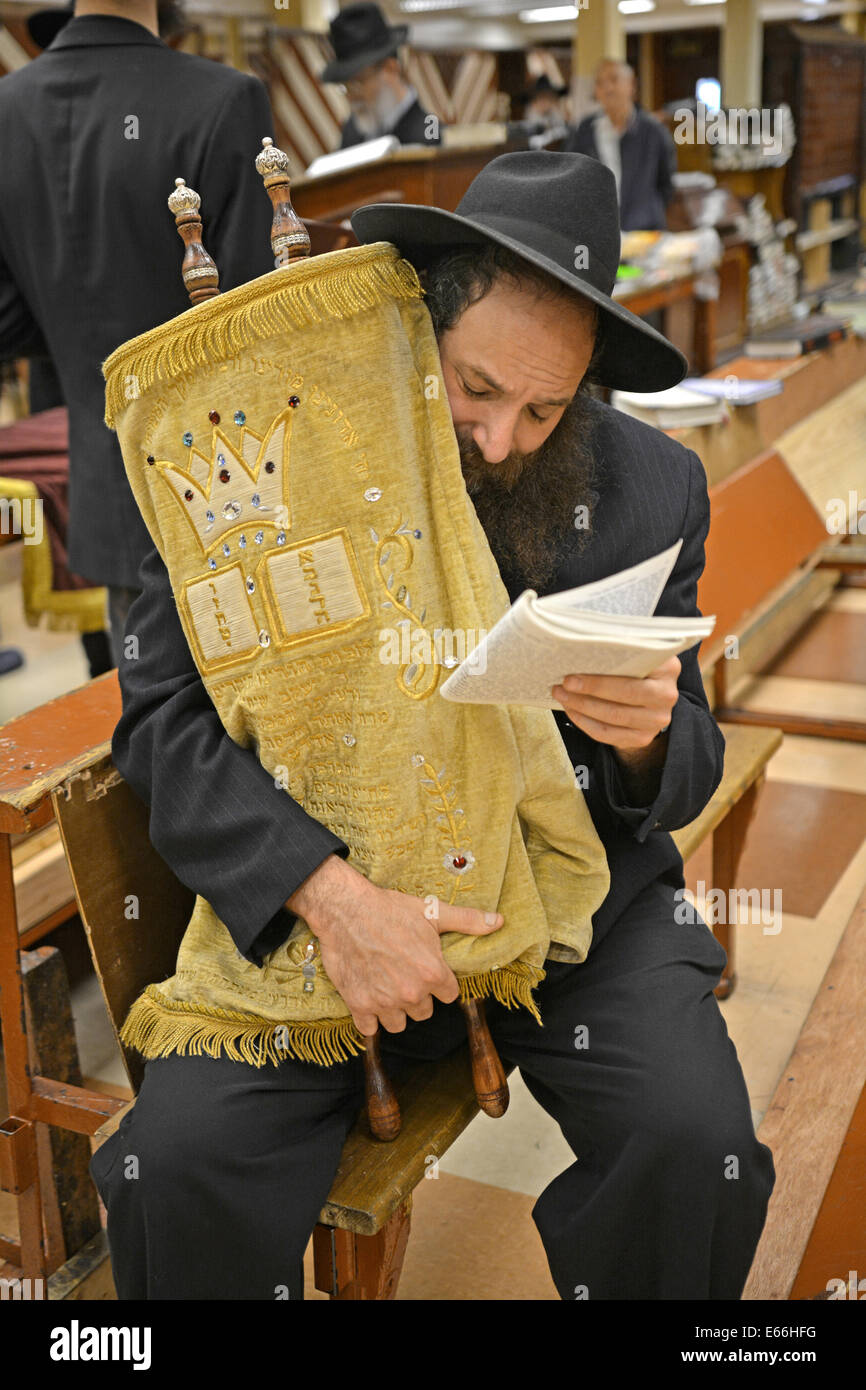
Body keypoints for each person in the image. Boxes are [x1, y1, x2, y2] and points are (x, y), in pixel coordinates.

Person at [93, 151, 774, 1301]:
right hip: (332, 894)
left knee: (692, 1143)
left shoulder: (652, 486)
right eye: (473, 390)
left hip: (568, 902)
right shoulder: (265, 444)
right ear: (417, 324)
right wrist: (332, 900)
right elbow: (163, 724)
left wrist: (644, 734)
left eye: (543, 406)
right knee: (174, 1166)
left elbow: (686, 756)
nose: (502, 437)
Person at [0, 0, 276, 665]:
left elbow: (7, 322)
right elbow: (258, 324)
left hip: (105, 495)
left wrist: (85, 329)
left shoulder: (7, 108)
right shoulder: (225, 98)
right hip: (227, 494)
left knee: (150, 728)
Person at [564, 59, 676, 232]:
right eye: (600, 83)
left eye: (614, 80)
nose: (608, 88)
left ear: (631, 85)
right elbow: (572, 178)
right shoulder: (584, 131)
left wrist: (647, 213)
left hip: (645, 232)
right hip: (599, 233)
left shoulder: (654, 131)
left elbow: (666, 185)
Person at [321, 2, 441, 151]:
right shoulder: (351, 131)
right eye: (345, 86)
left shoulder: (430, 131)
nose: (351, 97)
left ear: (390, 68)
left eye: (357, 84)